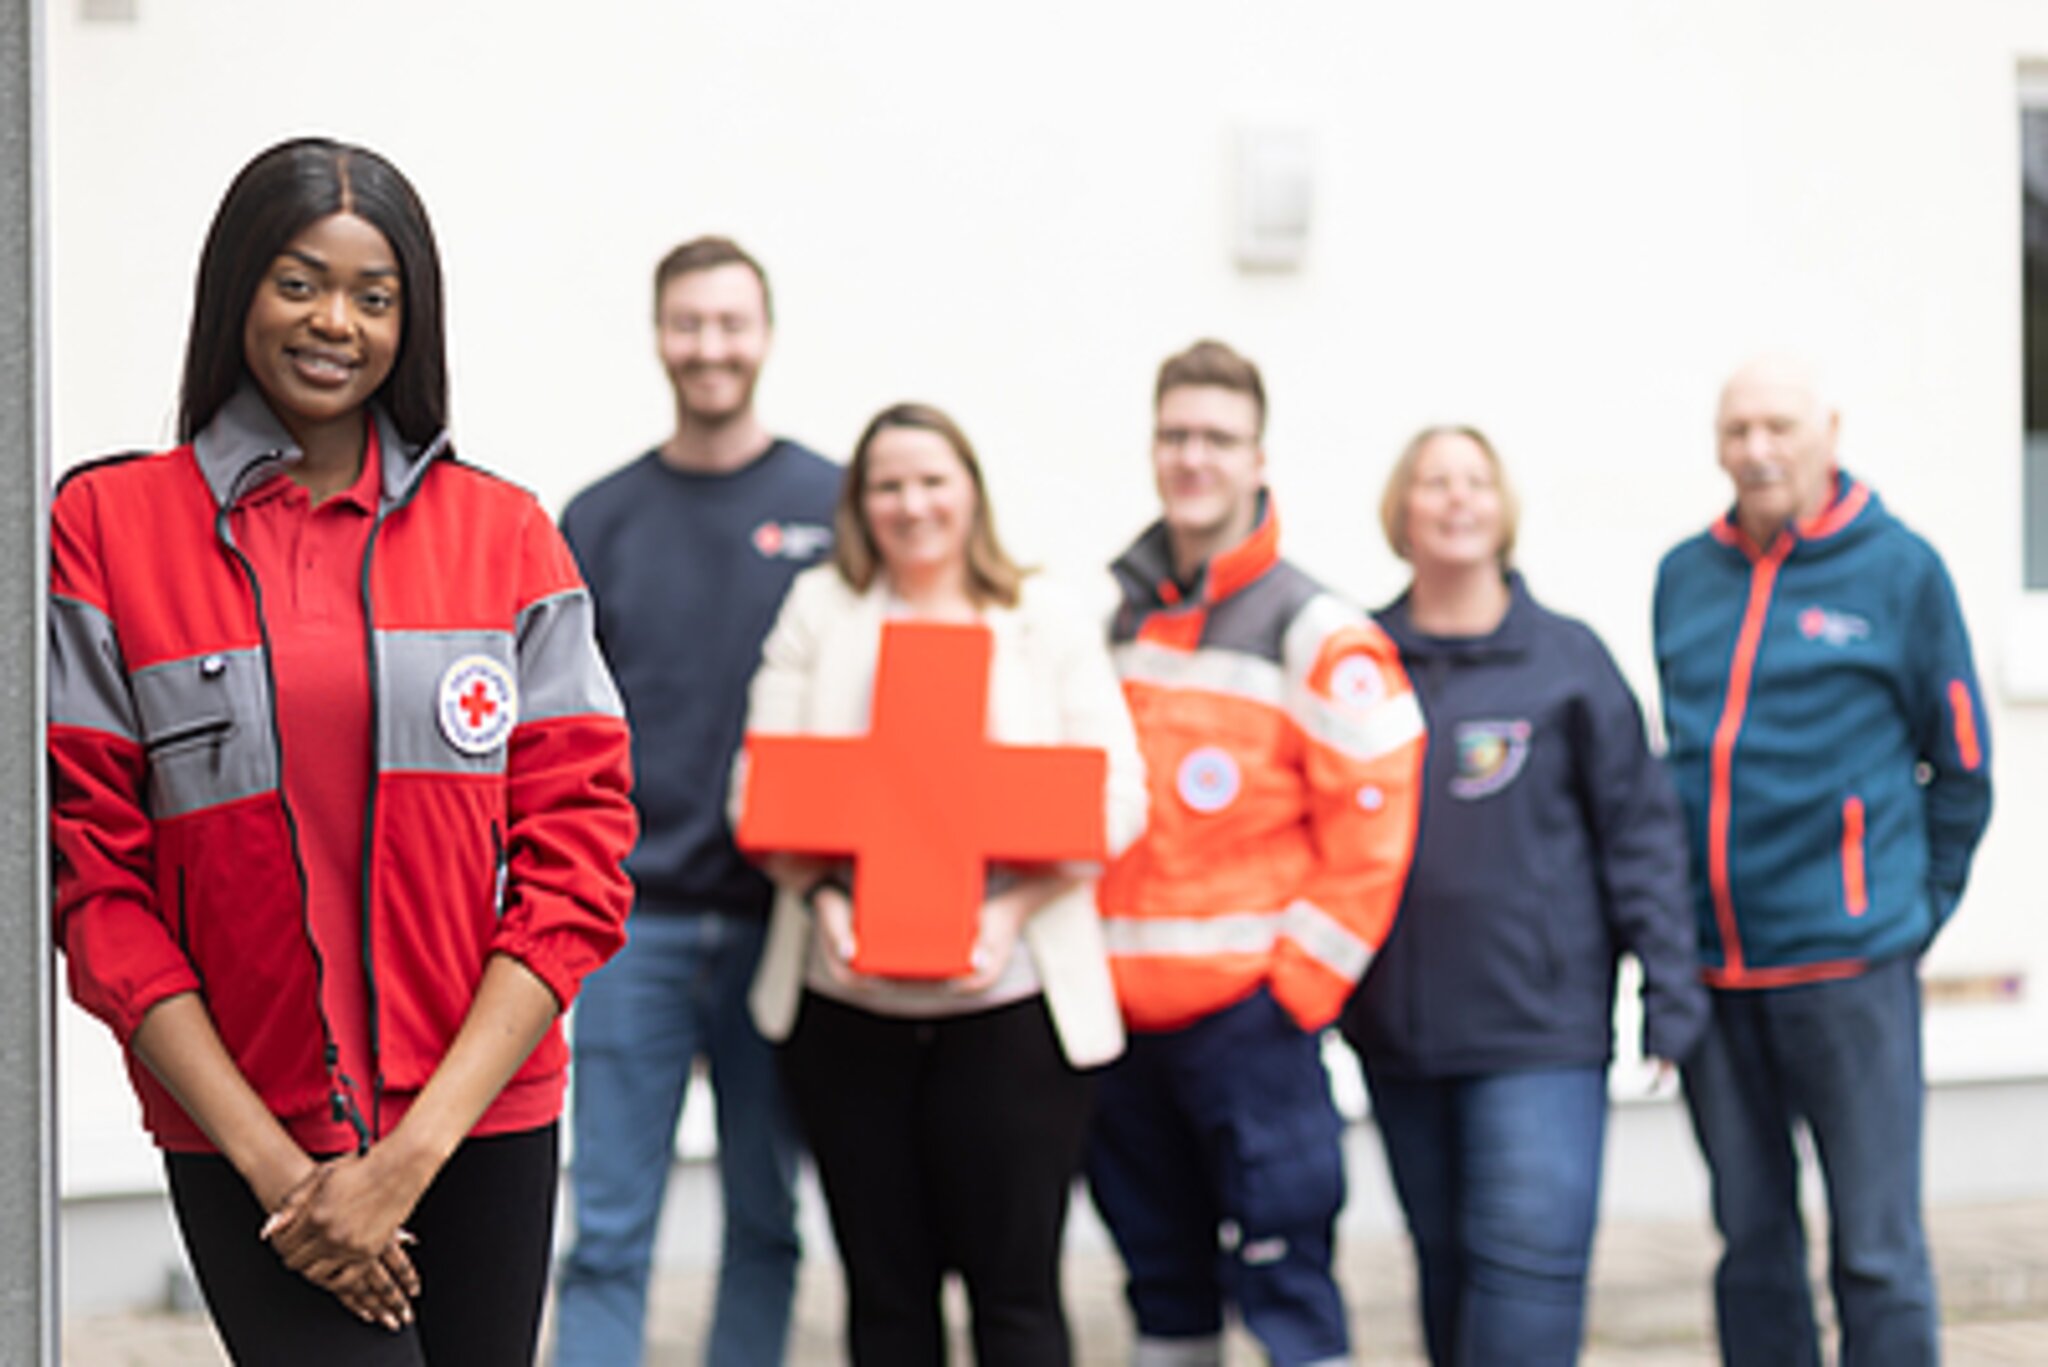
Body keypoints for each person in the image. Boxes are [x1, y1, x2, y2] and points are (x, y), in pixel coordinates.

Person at [47, 136, 636, 1365]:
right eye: (299, 280)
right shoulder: (106, 529)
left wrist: (409, 1157)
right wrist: (287, 1176)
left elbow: (577, 865)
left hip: (479, 1125)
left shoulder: (508, 537)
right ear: (236, 293)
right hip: (243, 1128)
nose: (336, 323)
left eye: (376, 297)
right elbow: (94, 884)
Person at [735, 402, 1147, 1366]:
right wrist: (827, 902)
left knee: (1016, 1300)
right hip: (848, 1012)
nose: (912, 503)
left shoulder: (1044, 616)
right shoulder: (821, 610)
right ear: (859, 502)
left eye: (933, 480)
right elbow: (758, 792)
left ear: (971, 491)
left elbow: (1119, 797)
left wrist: (1007, 912)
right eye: (888, 484)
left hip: (1011, 1010)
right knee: (886, 1302)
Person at [1087, 339, 1426, 1367]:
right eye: (1175, 435)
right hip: (1122, 1025)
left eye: (1216, 438)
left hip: (1248, 1025)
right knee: (1162, 1294)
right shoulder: (1118, 619)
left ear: (1257, 457)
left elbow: (1375, 822)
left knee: (1285, 1291)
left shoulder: (1316, 629)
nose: (1193, 457)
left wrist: (1294, 993)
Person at [1338, 426, 1707, 1365]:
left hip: (1538, 1033)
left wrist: (1670, 988)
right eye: (1434, 483)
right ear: (1401, 511)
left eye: (1475, 481)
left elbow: (1641, 832)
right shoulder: (1358, 662)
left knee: (1529, 1274)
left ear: (1502, 509)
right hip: (1400, 1034)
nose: (1457, 499)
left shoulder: (1569, 661)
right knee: (1447, 1268)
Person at [1654, 356, 1994, 1366]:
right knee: (1750, 1243)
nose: (1754, 450)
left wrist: (1898, 908)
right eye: (1734, 430)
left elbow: (1962, 764)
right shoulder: (1682, 574)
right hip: (1716, 976)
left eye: (1777, 426)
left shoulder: (1898, 569)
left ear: (1827, 431)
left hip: (1849, 972)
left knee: (1876, 1250)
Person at [553, 236, 836, 1367]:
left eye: (730, 323)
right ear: (658, 333)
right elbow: (557, 732)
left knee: (767, 1220)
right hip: (634, 923)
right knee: (608, 1228)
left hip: (787, 920)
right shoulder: (600, 517)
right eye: (688, 324)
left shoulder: (833, 502)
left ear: (763, 334)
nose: (709, 347)